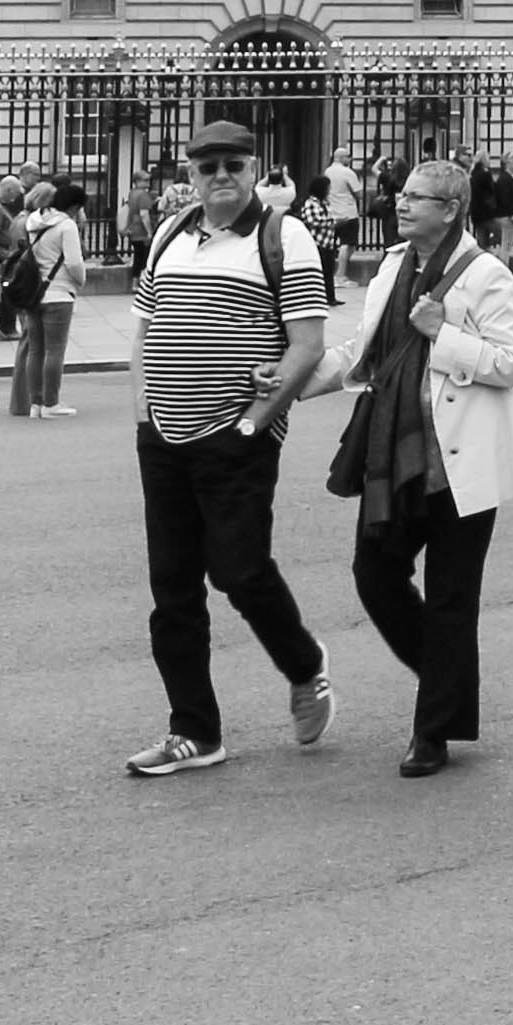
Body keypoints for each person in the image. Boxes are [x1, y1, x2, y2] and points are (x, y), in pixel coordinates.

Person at [124, 124, 338, 777]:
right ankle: (194, 730)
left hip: (234, 435)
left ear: (254, 170)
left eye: (233, 165)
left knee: (240, 572)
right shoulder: (170, 233)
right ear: (190, 174)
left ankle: (305, 666)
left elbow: (306, 342)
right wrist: (142, 406)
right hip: (163, 434)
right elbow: (145, 325)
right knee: (173, 590)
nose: (220, 176)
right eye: (208, 166)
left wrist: (255, 421)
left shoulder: (283, 235)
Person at [330, 159, 513, 775]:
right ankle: (448, 680)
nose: (401, 203)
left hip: (460, 459)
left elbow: (511, 364)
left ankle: (433, 730)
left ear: (449, 209)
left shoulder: (489, 275)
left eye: (416, 198)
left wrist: (442, 335)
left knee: (450, 598)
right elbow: (365, 351)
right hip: (396, 453)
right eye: (402, 195)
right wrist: (286, 383)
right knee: (374, 573)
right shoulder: (392, 265)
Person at [11, 180, 90, 418]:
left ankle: (35, 403)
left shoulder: (35, 220)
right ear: (74, 207)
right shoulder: (67, 226)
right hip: (59, 292)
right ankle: (51, 403)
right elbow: (74, 262)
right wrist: (81, 281)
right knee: (55, 351)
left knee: (36, 350)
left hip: (35, 292)